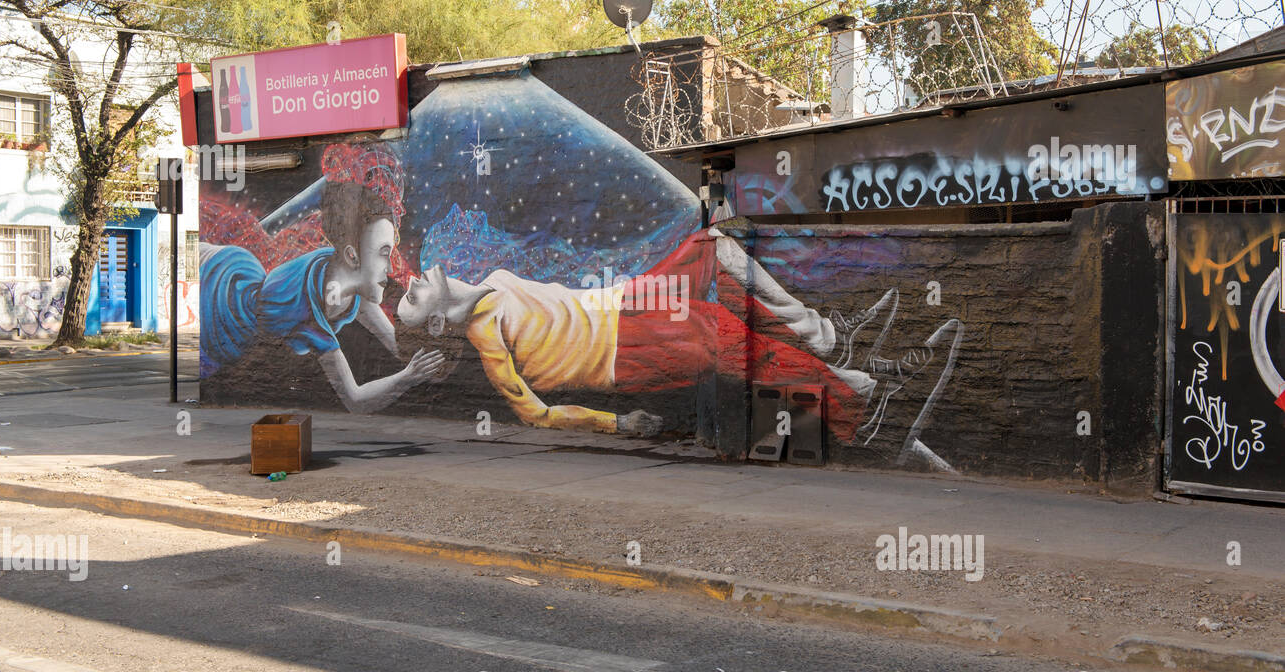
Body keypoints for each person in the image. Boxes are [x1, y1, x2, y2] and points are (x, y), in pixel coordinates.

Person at [396, 227, 958, 444]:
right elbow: (533, 413)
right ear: (440, 323)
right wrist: (618, 423)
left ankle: (825, 339)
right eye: (413, 298)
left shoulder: (488, 281)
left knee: (712, 244)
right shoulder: (487, 335)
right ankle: (859, 397)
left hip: (624, 299)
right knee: (724, 336)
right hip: (620, 349)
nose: (417, 282)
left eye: (410, 286)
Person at [201, 144, 443, 412]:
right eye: (385, 253)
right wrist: (407, 377)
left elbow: (397, 343)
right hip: (221, 301)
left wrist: (436, 350)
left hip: (234, 273)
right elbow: (355, 400)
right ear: (352, 256)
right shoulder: (310, 316)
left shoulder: (348, 284)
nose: (391, 267)